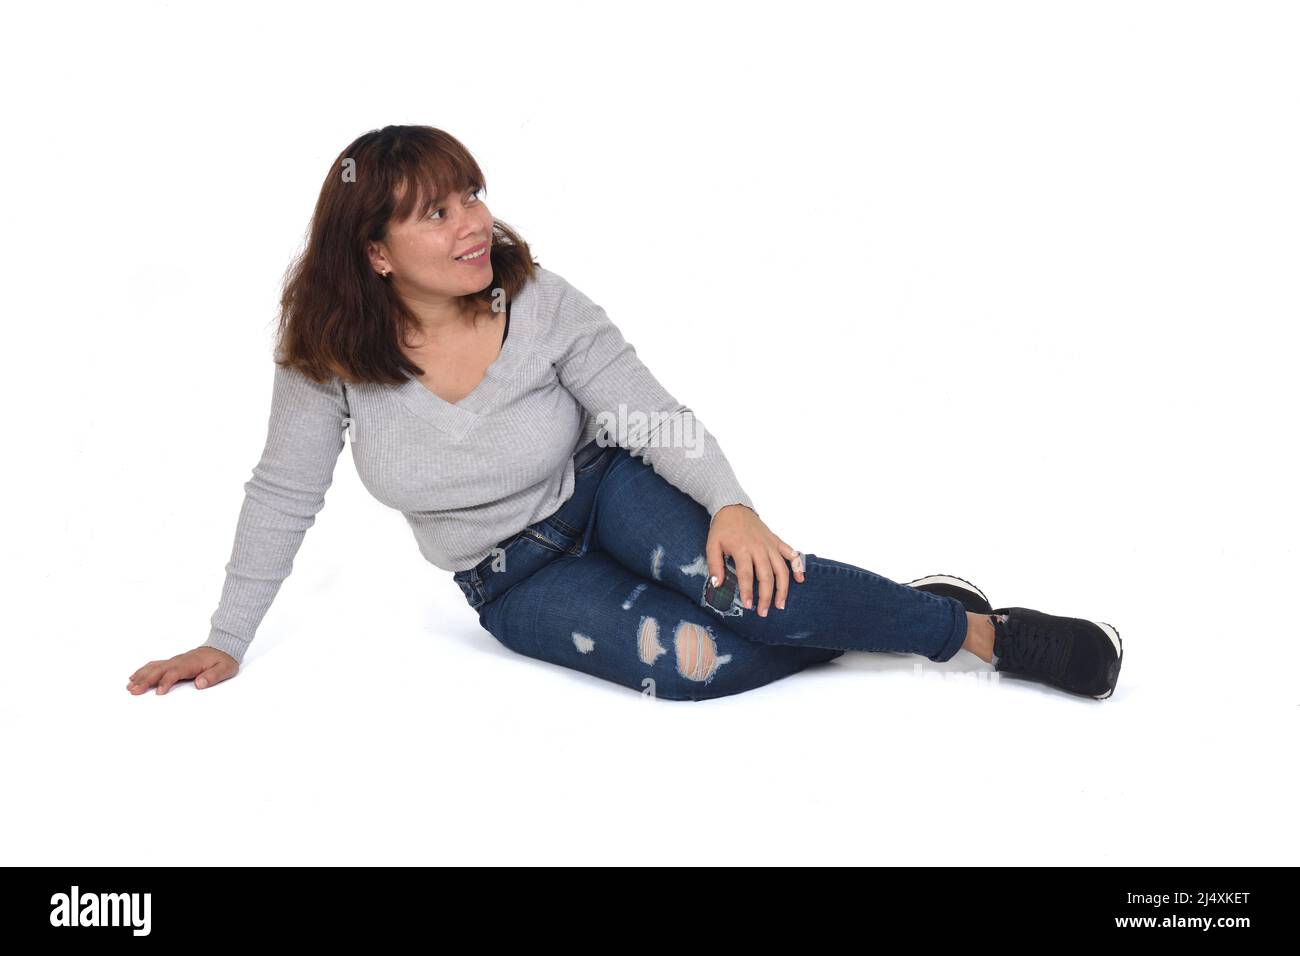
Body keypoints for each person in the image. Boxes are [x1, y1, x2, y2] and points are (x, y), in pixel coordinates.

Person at [126, 125, 1122, 702]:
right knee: (697, 663)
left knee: (761, 592)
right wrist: (227, 635)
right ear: (375, 251)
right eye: (436, 211)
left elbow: (646, 413)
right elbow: (283, 491)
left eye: (469, 193)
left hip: (606, 493)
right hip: (506, 575)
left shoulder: (540, 299)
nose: (473, 219)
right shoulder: (329, 354)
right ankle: (865, 605)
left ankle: (973, 631)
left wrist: (730, 505)